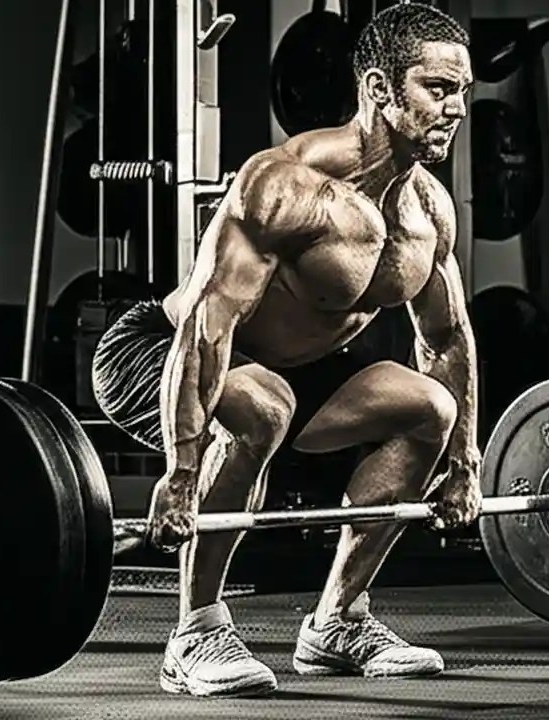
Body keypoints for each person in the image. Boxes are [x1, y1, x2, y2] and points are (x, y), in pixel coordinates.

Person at [93, 2, 480, 698]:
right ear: (378, 89)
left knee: (431, 409)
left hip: (294, 372)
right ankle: (195, 632)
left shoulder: (428, 211)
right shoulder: (285, 185)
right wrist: (181, 471)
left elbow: (446, 338)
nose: (456, 109)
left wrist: (464, 463)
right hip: (160, 350)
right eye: (438, 89)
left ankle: (338, 622)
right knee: (263, 406)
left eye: (463, 91)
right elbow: (207, 327)